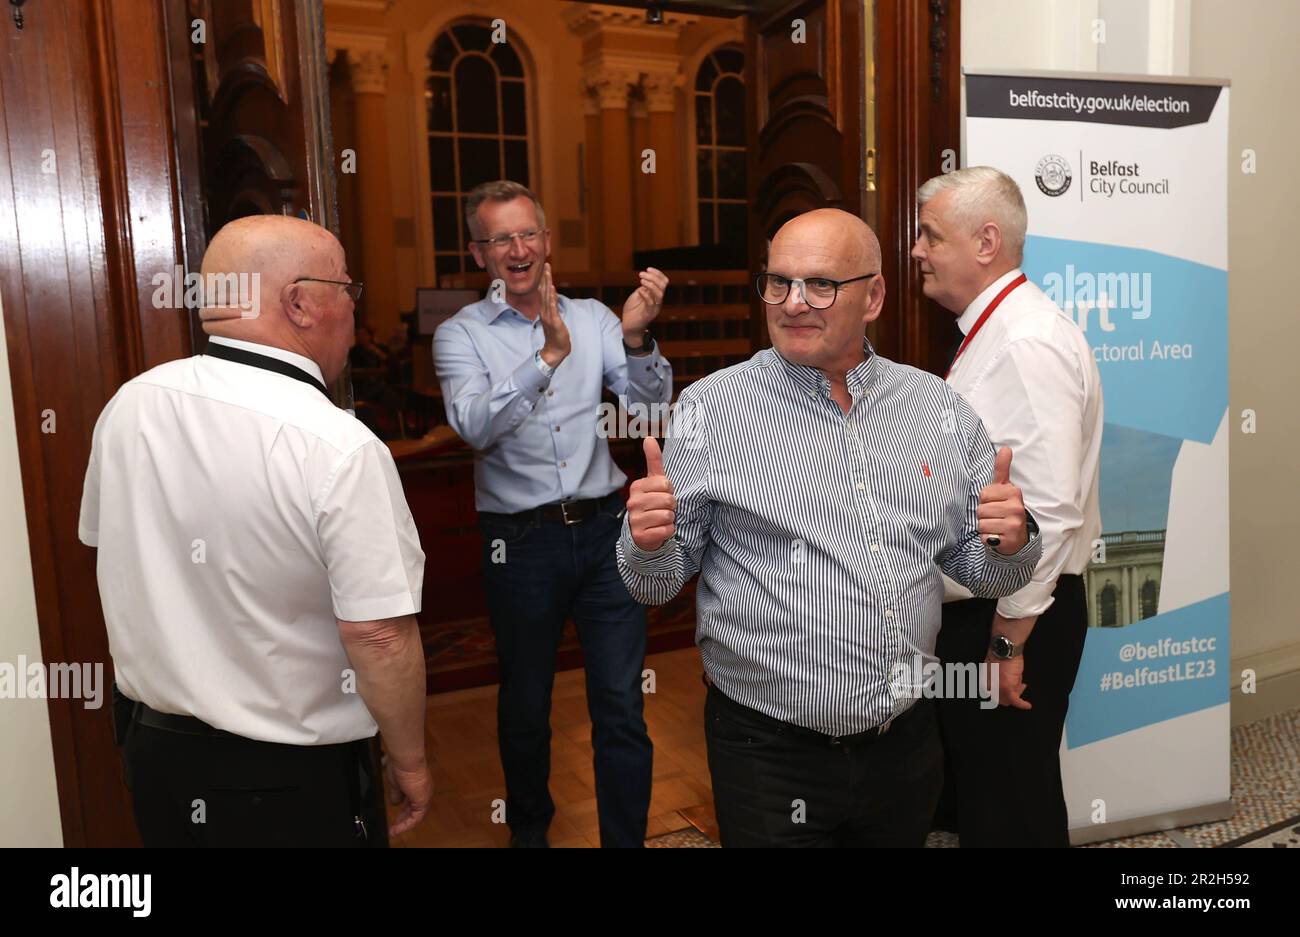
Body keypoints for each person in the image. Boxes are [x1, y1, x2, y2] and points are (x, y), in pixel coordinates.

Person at [616, 207, 1042, 847]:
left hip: (903, 746)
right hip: (766, 753)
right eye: (778, 282)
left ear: (872, 296)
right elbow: (656, 585)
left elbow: (975, 572)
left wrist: (1013, 543)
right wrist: (647, 545)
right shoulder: (712, 409)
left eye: (820, 284)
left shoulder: (936, 409)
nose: (793, 303)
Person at [78, 215, 431, 846]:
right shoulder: (338, 446)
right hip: (284, 783)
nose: (354, 308)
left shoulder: (130, 404)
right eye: (347, 289)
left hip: (155, 759)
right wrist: (409, 761)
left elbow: (108, 552)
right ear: (299, 303)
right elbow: (378, 634)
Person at [433, 180, 673, 847]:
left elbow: (650, 407)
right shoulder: (461, 336)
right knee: (527, 704)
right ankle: (530, 835)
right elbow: (477, 428)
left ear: (546, 241)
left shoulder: (596, 317)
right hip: (520, 544)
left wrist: (635, 336)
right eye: (500, 238)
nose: (518, 249)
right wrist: (547, 357)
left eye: (527, 234)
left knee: (622, 705)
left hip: (606, 536)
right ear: (479, 253)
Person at [913, 166, 1102, 847]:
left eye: (931, 235)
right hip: (997, 615)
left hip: (1016, 620)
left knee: (1011, 811)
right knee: (992, 799)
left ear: (985, 241)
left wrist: (1006, 641)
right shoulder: (997, 332)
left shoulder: (1025, 343)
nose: (917, 250)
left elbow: (1046, 514)